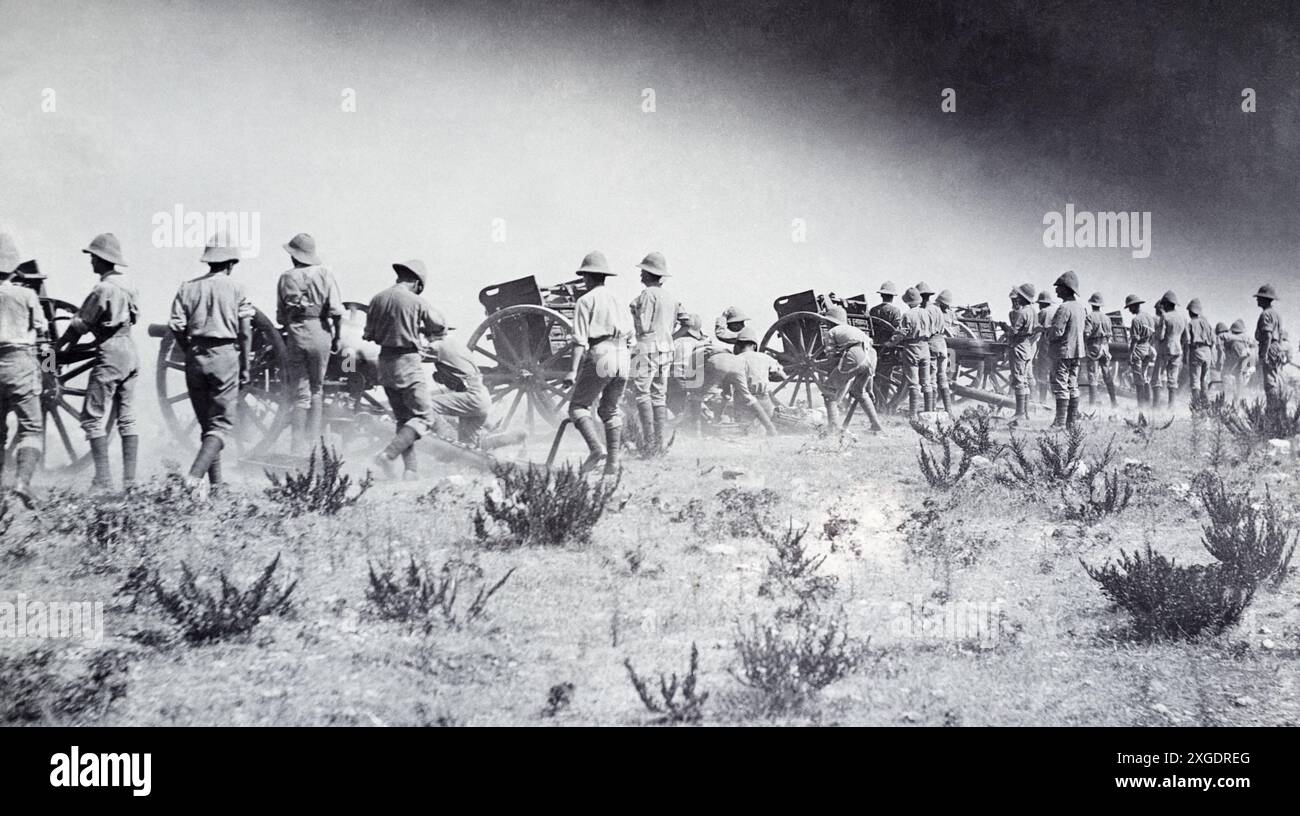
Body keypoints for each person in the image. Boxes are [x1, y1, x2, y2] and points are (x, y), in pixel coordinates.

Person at [168, 233, 254, 494]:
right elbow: (246, 332)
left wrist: (190, 350)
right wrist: (246, 365)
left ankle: (216, 485)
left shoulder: (187, 287)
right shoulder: (237, 289)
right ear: (231, 264)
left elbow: (176, 326)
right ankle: (193, 479)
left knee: (207, 424)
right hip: (225, 356)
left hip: (194, 357)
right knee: (220, 426)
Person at [56, 233, 140, 490]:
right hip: (130, 352)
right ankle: (130, 482)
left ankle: (103, 480)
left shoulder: (102, 289)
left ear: (102, 260)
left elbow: (79, 324)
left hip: (110, 352)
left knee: (91, 418)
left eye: (93, 257)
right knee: (126, 418)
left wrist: (55, 352)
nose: (90, 261)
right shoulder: (129, 286)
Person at [365, 260, 447, 479]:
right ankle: (388, 455)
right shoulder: (416, 301)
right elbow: (439, 325)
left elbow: (369, 334)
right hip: (407, 363)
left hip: (384, 363)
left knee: (403, 420)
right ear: (417, 283)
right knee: (424, 418)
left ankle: (410, 471)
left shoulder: (377, 299)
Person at [563, 251, 632, 475]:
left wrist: (572, 371)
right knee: (610, 410)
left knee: (577, 407)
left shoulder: (585, 300)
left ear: (588, 277)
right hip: (623, 356)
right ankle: (613, 465)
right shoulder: (619, 300)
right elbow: (632, 336)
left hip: (602, 353)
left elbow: (579, 340)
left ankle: (596, 449)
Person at [276, 233, 343, 455]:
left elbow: (279, 317)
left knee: (300, 394)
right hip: (320, 332)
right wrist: (338, 337)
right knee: (317, 390)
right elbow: (336, 311)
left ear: (293, 256)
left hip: (296, 334)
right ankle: (312, 446)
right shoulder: (325, 274)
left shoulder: (285, 277)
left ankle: (296, 448)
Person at [0, 232, 46, 503]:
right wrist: (49, 369)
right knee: (31, 428)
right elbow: (45, 339)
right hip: (21, 363)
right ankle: (21, 483)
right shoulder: (27, 295)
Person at [628, 252, 679, 456]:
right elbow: (676, 323)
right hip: (667, 348)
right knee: (659, 395)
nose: (640, 275)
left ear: (649, 274)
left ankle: (648, 445)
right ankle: (659, 444)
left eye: (643, 272)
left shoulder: (647, 295)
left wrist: (634, 312)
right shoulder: (671, 298)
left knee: (642, 393)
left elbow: (644, 325)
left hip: (648, 347)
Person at [820, 304, 883, 434]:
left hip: (856, 355)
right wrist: (870, 388)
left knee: (828, 390)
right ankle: (876, 425)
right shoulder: (854, 330)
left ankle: (833, 427)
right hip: (871, 356)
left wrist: (833, 373)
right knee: (859, 391)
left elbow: (830, 357)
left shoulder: (832, 332)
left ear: (830, 321)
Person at [1048, 271, 1086, 428]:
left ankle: (1060, 423)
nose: (1056, 291)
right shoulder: (1081, 308)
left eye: (1058, 288)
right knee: (1072, 385)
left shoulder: (1064, 308)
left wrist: (1045, 332)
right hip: (1077, 352)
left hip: (1063, 352)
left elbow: (1057, 332)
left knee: (1061, 385)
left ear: (1066, 289)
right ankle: (1071, 423)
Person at [888, 286, 932, 417]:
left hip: (912, 348)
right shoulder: (926, 313)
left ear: (907, 302)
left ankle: (913, 415)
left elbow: (901, 333)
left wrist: (890, 343)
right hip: (925, 347)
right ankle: (928, 413)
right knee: (926, 382)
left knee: (913, 383)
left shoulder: (908, 315)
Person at [731, 326, 782, 435]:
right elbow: (781, 376)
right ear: (754, 345)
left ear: (738, 346)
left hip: (744, 403)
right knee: (761, 434)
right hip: (765, 402)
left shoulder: (736, 359)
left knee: (745, 433)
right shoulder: (767, 358)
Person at [1254, 283, 1288, 423]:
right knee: (1277, 380)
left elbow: (1267, 336)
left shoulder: (1265, 314)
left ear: (1264, 299)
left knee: (1270, 382)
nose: (1257, 300)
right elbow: (1279, 335)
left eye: (1259, 298)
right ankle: (1280, 411)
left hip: (1270, 348)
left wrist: (1264, 353)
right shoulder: (1276, 314)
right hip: (1277, 348)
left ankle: (1272, 413)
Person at [1005, 283, 1038, 425]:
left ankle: (1019, 413)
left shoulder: (1022, 313)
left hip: (1018, 346)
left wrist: (1004, 327)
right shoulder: (1032, 311)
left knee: (1018, 379)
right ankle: (1024, 413)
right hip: (1027, 347)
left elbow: (1014, 332)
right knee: (1024, 380)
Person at [869, 281, 904, 406]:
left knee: (875, 376)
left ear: (881, 295)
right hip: (888, 348)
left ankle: (874, 402)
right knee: (886, 376)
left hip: (874, 346)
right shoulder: (895, 311)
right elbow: (897, 330)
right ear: (892, 297)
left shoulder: (873, 310)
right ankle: (882, 403)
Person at [1153, 290, 1187, 409]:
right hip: (1177, 350)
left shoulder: (1165, 316)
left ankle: (1155, 407)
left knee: (1157, 378)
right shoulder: (1183, 317)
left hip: (1165, 349)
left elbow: (1161, 336)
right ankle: (1171, 407)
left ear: (1166, 304)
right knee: (1173, 379)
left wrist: (1155, 334)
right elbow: (1186, 337)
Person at [1082, 292, 1117, 408]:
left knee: (1092, 375)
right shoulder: (1107, 318)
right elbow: (1110, 335)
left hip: (1094, 347)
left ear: (1092, 304)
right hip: (1105, 347)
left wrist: (1085, 342)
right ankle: (1114, 402)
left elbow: (1087, 333)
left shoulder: (1090, 317)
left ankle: (1092, 405)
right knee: (1107, 374)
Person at [1125, 294, 1156, 407]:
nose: (1129, 310)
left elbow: (1134, 339)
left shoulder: (1136, 320)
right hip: (1147, 348)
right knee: (1145, 376)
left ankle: (1141, 406)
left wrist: (1130, 354)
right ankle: (1148, 404)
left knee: (1138, 379)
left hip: (1138, 350)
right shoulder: (1149, 318)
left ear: (1134, 306)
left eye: (1130, 307)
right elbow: (1153, 335)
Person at [1184, 298, 1215, 402]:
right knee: (1204, 380)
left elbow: (1187, 341)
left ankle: (1196, 408)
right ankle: (1205, 405)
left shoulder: (1190, 324)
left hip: (1196, 351)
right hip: (1208, 351)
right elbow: (1213, 340)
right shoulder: (1207, 324)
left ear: (1190, 312)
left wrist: (1185, 356)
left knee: (1195, 382)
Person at [932, 289, 957, 413]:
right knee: (936, 376)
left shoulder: (951, 314)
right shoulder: (934, 310)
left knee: (945, 375)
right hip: (938, 344)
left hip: (948, 347)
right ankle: (934, 407)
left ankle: (948, 409)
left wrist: (951, 331)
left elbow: (956, 327)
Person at [1222, 318, 1256, 401]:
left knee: (1237, 378)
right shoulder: (1246, 341)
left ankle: (1236, 399)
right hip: (1249, 364)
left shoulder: (1235, 343)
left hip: (1241, 366)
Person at [1033, 288, 1057, 403]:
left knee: (1042, 372)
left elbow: (1035, 329)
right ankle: (1055, 398)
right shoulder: (1056, 311)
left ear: (1042, 303)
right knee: (1054, 372)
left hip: (1045, 345)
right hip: (1056, 346)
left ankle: (1042, 400)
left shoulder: (1043, 312)